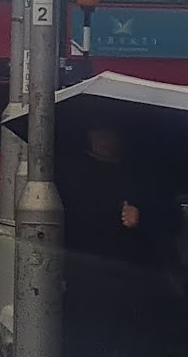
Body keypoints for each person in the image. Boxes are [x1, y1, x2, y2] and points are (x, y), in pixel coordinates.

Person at [59, 124, 177, 356]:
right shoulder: (68, 171)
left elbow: (171, 219)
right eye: (97, 131)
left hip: (136, 282)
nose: (103, 138)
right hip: (85, 278)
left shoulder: (142, 173)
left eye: (109, 131)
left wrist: (142, 218)